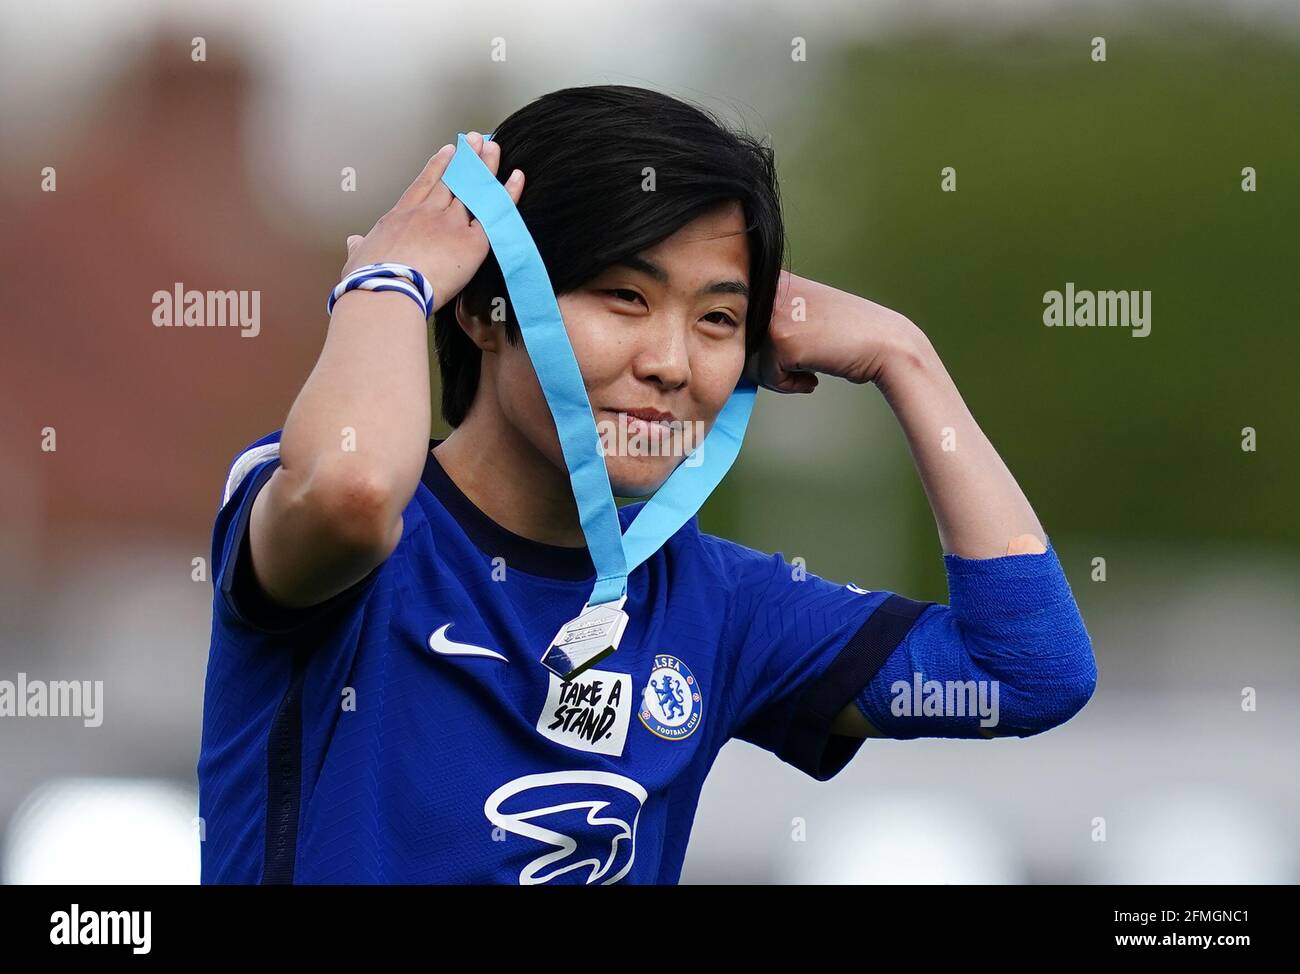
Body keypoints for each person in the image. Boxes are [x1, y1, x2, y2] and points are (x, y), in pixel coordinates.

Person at [197, 85, 1096, 885]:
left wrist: (907, 356)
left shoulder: (720, 604)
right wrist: (385, 284)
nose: (670, 363)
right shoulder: (312, 503)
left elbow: (1028, 672)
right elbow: (353, 492)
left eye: (717, 318)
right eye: (624, 298)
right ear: (480, 306)